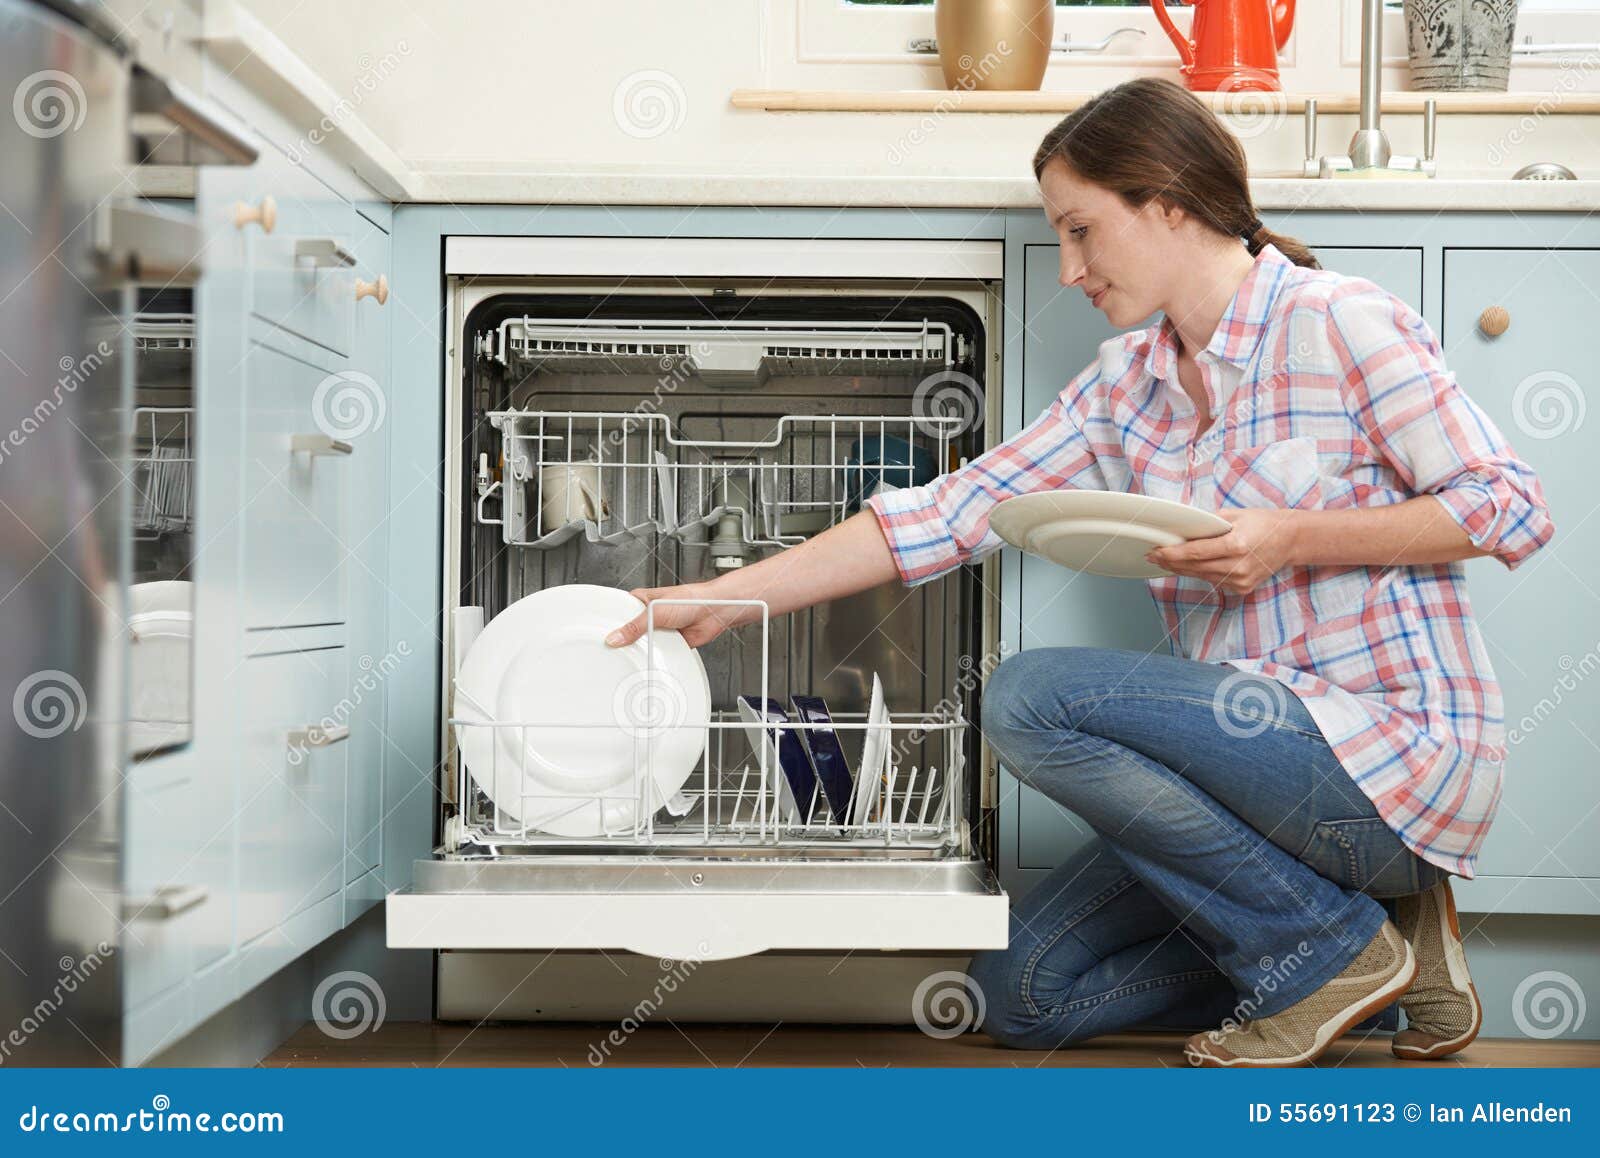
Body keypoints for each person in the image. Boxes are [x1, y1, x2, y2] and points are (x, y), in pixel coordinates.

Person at [604, 77, 1554, 1067]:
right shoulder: (1125, 387)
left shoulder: (1336, 321)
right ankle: (1378, 948)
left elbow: (1510, 505)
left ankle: (1325, 947)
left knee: (1027, 698)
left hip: (1384, 768)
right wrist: (724, 595)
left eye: (1080, 231)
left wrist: (1290, 536)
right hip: (1241, 787)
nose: (1067, 269)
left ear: (1167, 203)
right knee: (1019, 998)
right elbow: (947, 513)